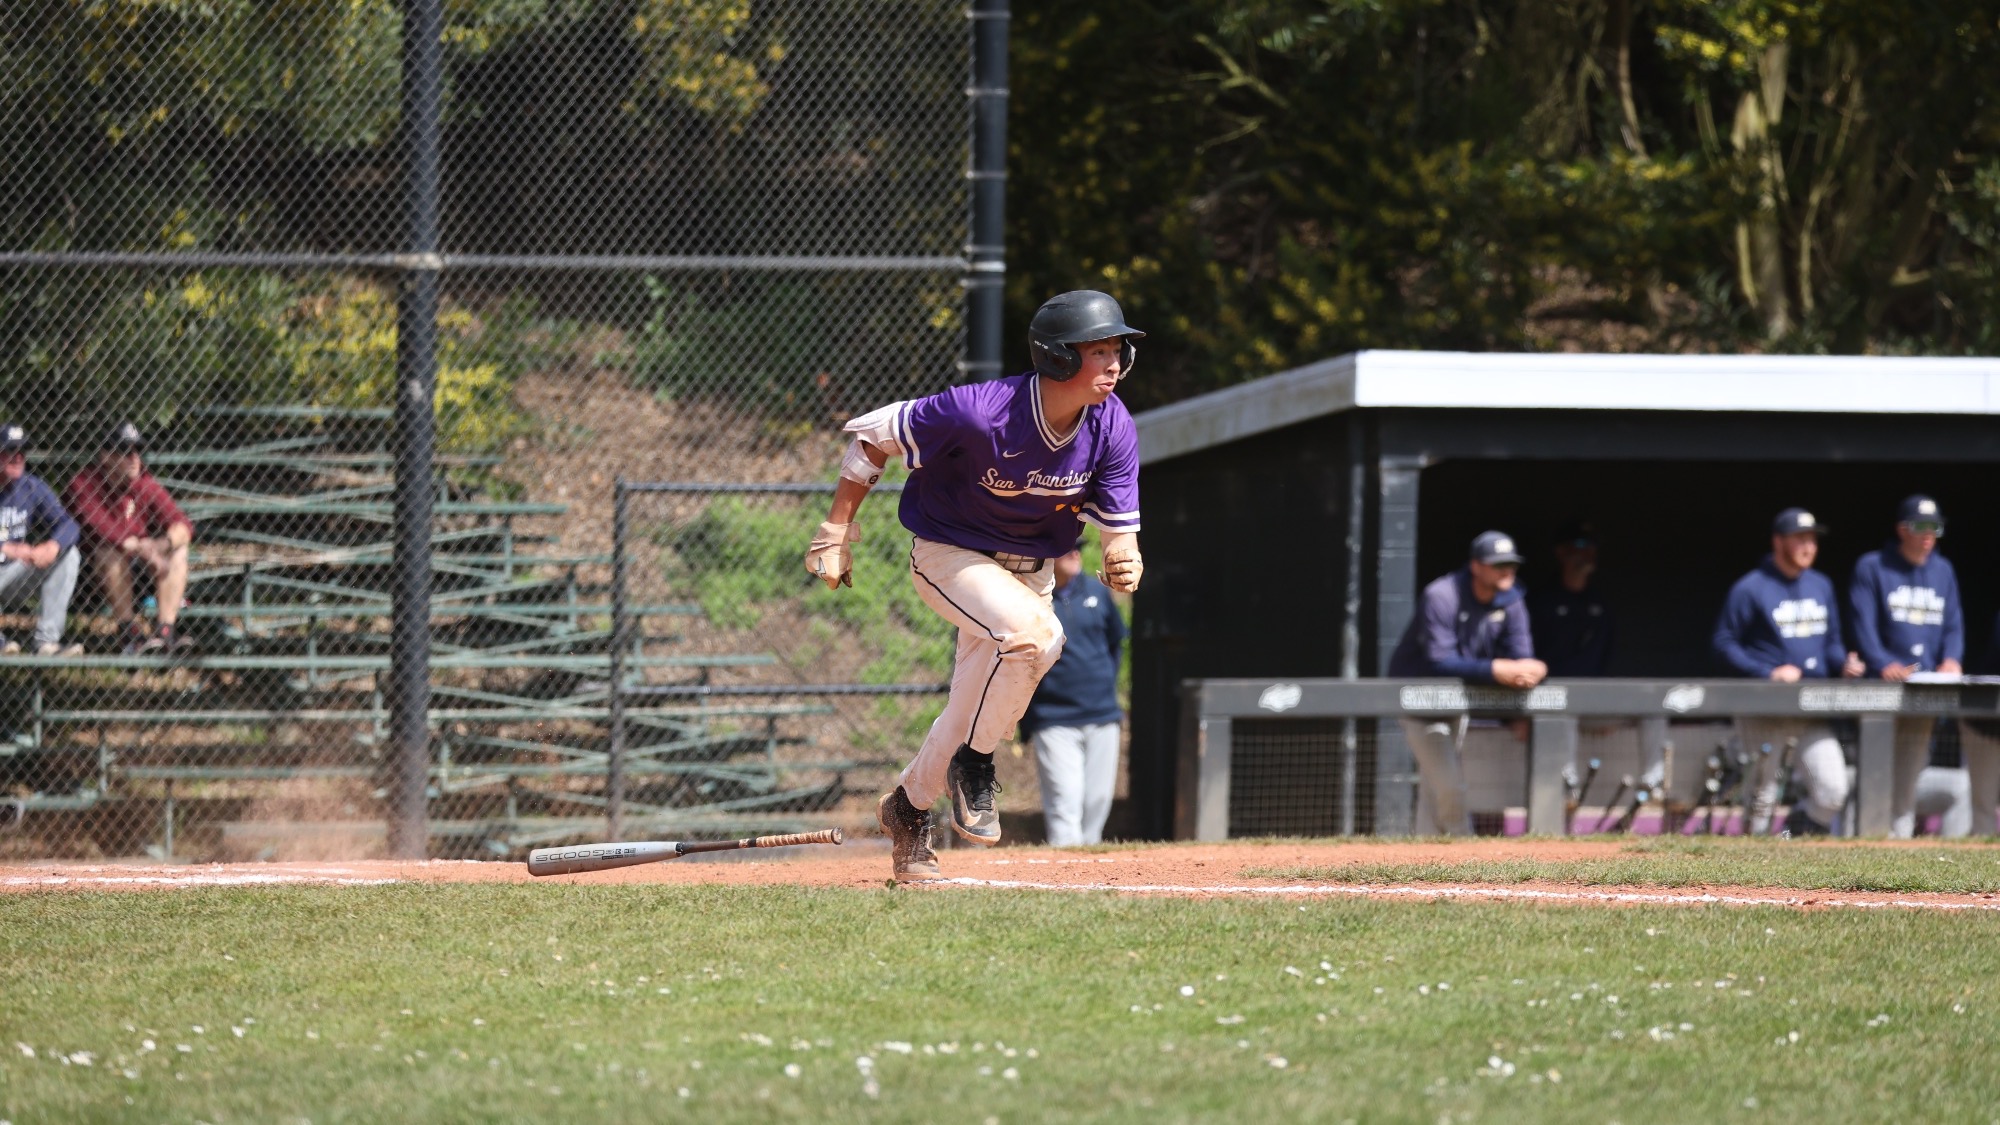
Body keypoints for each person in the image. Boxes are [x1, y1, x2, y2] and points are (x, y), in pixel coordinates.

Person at [804, 290, 1144, 881]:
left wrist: (1124, 556)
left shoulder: (1112, 425)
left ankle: (907, 809)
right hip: (949, 555)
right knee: (1038, 637)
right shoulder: (979, 411)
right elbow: (870, 437)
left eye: (1118, 349)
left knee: (969, 711)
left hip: (1028, 572)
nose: (1114, 362)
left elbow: (1119, 531)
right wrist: (836, 527)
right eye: (1098, 350)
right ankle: (978, 766)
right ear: (1058, 357)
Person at [1712, 508, 1863, 836]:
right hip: (1764, 708)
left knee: (1832, 790)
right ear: (1778, 542)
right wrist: (1767, 671)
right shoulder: (1751, 588)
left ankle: (1788, 837)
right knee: (1761, 799)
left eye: (1812, 539)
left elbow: (1832, 642)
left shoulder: (1820, 585)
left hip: (1812, 706)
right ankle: (1751, 874)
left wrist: (1844, 664)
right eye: (1800, 539)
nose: (1809, 547)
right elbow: (1724, 642)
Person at [1386, 530, 1547, 835]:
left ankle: (1423, 852)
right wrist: (1497, 669)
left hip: (1459, 700)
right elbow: (1440, 660)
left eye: (1511, 564)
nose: (1507, 571)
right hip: (1419, 698)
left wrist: (1533, 669)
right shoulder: (1442, 594)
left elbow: (1521, 655)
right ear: (1476, 566)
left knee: (1436, 784)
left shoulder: (1512, 599)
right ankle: (1466, 850)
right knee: (1450, 785)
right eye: (1498, 564)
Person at [1847, 494, 1963, 838]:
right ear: (1902, 530)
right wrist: (1883, 662)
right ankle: (1856, 842)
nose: (1929, 535)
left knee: (1909, 775)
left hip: (1922, 691)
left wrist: (1952, 659)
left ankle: (1898, 843)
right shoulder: (1873, 566)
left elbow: (1954, 624)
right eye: (1921, 527)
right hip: (1878, 695)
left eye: (1935, 528)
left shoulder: (1943, 570)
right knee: (1870, 775)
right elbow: (1861, 624)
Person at [1019, 538, 1127, 847]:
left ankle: (1086, 876)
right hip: (1053, 717)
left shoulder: (1096, 592)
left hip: (1101, 712)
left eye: (1077, 548)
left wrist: (1105, 684)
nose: (1075, 553)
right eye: (1066, 549)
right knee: (1065, 799)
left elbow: (1114, 643)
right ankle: (1064, 868)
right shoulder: (1030, 600)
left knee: (1098, 800)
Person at [66, 423, 195, 654]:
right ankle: (128, 635)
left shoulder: (144, 483)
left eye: (137, 451)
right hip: (90, 577)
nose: (134, 458)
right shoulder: (84, 482)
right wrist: (138, 546)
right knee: (109, 550)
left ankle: (165, 633)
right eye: (125, 451)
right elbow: (100, 527)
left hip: (138, 570)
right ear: (106, 456)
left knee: (179, 549)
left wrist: (159, 545)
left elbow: (183, 524)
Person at [0, 424, 84, 656]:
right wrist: (8, 549)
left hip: (14, 575)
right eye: (9, 451)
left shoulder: (30, 487)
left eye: (22, 452)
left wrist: (51, 546)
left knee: (69, 554)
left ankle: (46, 643)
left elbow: (69, 525)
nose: (17, 458)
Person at [1528, 521, 1614, 677]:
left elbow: (1607, 652)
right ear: (1561, 551)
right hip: (1548, 691)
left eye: (1593, 545)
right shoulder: (1540, 602)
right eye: (1581, 544)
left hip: (1592, 692)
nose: (1589, 551)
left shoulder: (1600, 604)